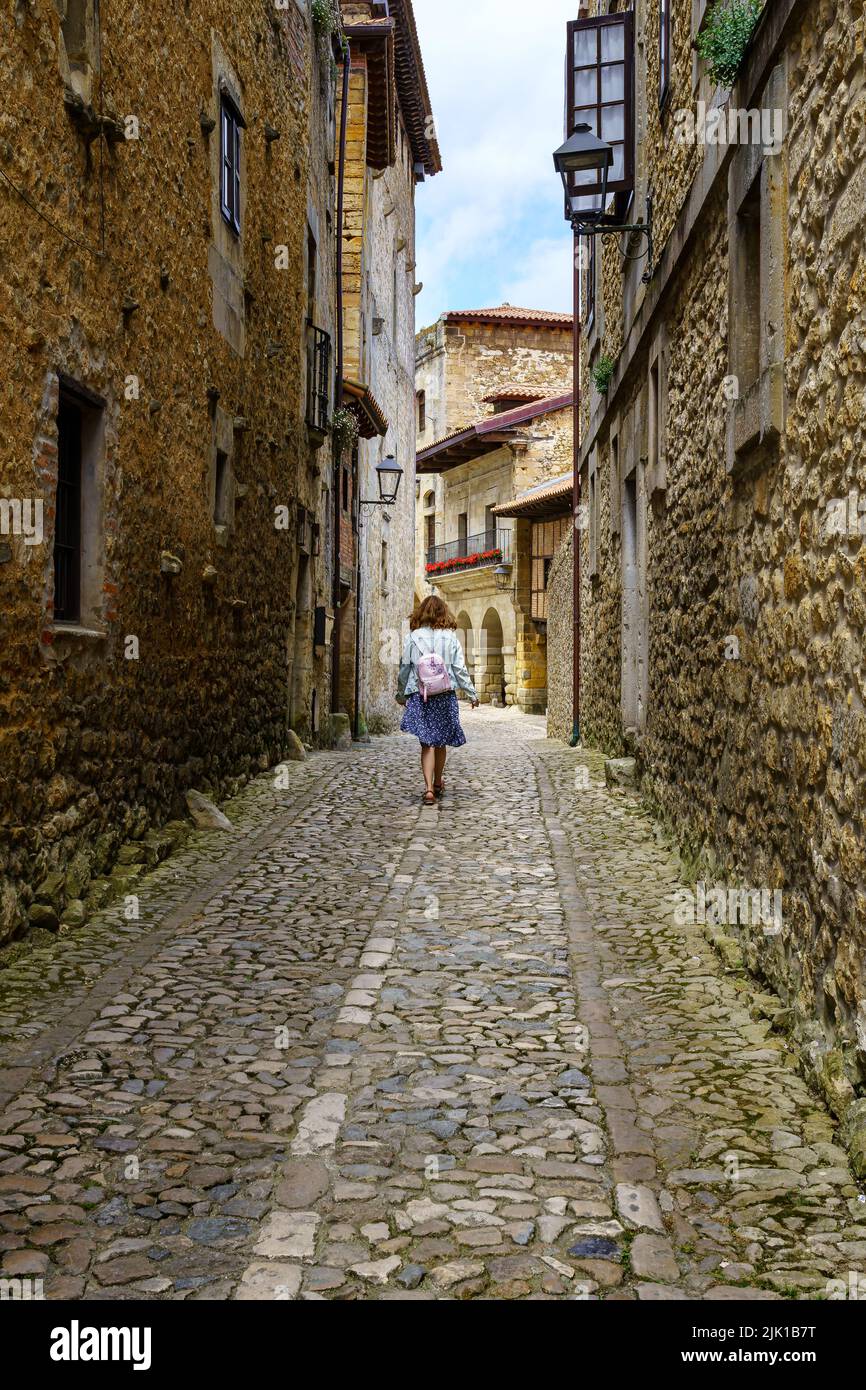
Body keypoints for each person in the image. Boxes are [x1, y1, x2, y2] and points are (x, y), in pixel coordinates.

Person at [396, 595, 479, 805]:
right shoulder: (451, 637)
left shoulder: (413, 637)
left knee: (427, 744)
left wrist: (401, 694)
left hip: (420, 695)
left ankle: (428, 789)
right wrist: (472, 693)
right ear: (444, 613)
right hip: (444, 694)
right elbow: (459, 669)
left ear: (421, 613)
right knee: (440, 741)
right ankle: (439, 780)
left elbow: (404, 668)